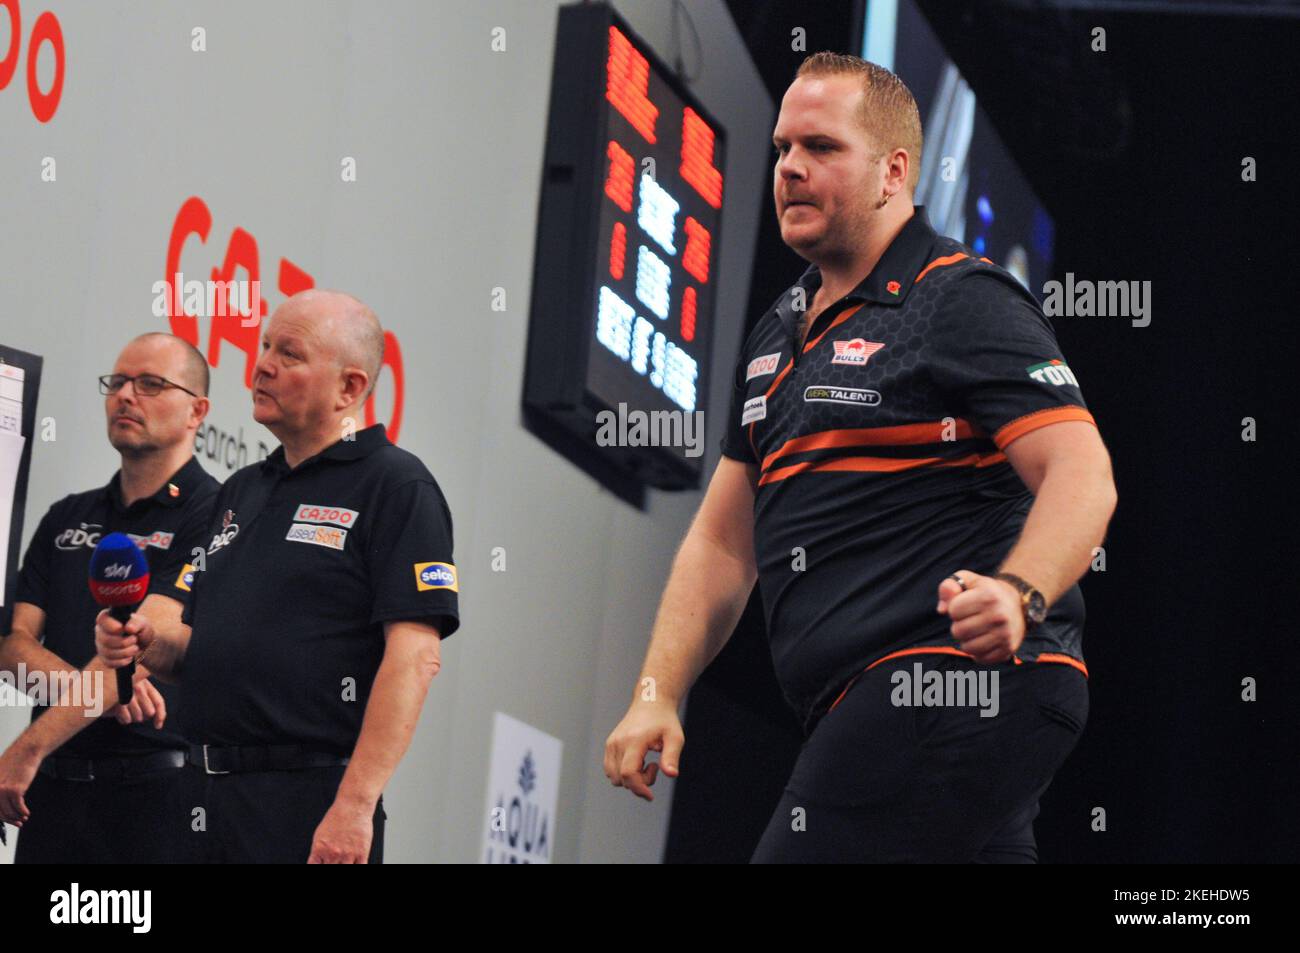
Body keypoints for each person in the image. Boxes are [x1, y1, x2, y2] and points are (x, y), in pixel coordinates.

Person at [604, 52, 1118, 862]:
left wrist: (1021, 591)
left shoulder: (958, 297)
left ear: (894, 171)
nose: (791, 169)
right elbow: (722, 543)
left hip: (950, 680)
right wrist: (657, 691)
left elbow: (1083, 470)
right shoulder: (778, 332)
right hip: (902, 706)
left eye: (822, 147)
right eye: (781, 150)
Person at [96, 289, 459, 863]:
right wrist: (146, 641)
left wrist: (355, 805)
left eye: (289, 353)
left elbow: (415, 658)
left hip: (306, 804)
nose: (261, 364)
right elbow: (205, 653)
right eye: (264, 345)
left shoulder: (396, 487)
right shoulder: (243, 489)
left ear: (351, 388)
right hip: (198, 798)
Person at [0, 333, 219, 862]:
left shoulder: (216, 515)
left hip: (153, 800)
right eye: (117, 382)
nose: (126, 395)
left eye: (150, 384)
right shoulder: (67, 515)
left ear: (197, 411)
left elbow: (142, 652)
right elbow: (10, 646)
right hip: (53, 794)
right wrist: (95, 693)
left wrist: (26, 748)